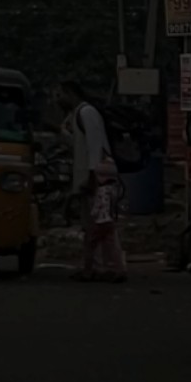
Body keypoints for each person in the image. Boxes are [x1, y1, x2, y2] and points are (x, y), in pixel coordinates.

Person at [57, 81, 127, 280]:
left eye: (60, 94)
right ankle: (95, 267)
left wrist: (91, 176)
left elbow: (95, 146)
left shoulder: (87, 112)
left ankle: (113, 268)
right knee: (92, 225)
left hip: (99, 178)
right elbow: (79, 144)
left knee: (103, 225)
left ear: (70, 92)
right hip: (92, 178)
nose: (58, 99)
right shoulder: (79, 114)